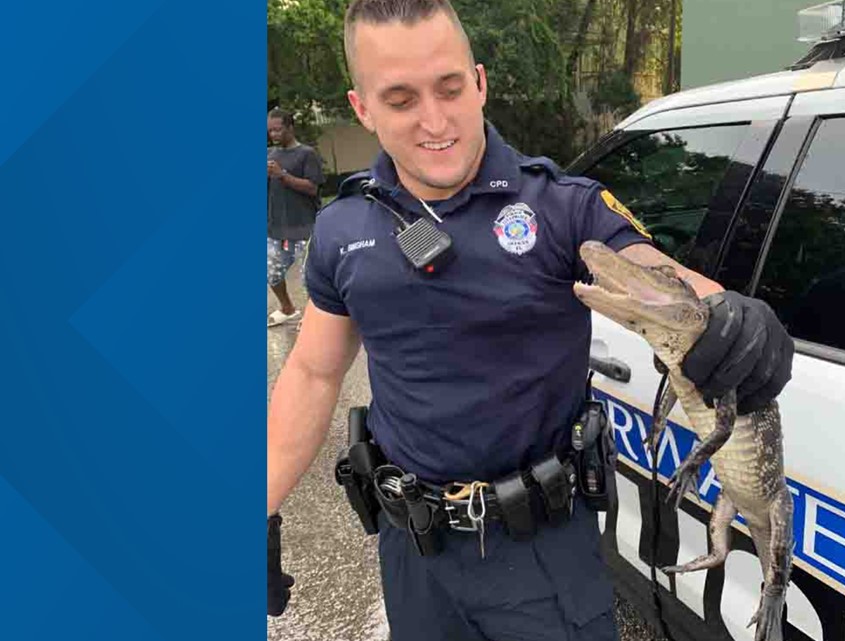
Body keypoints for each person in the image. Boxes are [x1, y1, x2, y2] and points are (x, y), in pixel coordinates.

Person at [266, 1, 795, 639]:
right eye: (401, 100)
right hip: (413, 555)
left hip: (544, 556)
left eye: (450, 88)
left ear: (480, 83)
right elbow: (315, 372)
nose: (435, 120)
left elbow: (663, 286)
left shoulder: (565, 206)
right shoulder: (342, 226)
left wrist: (735, 322)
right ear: (362, 108)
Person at [267, 108, 324, 327]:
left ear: (290, 128)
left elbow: (312, 188)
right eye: (270, 131)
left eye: (278, 130)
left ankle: (315, 319)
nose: (273, 135)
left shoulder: (306, 154)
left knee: (309, 280)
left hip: (305, 229)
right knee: (271, 273)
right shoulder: (269, 155)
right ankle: (288, 309)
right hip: (276, 228)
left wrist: (282, 175)